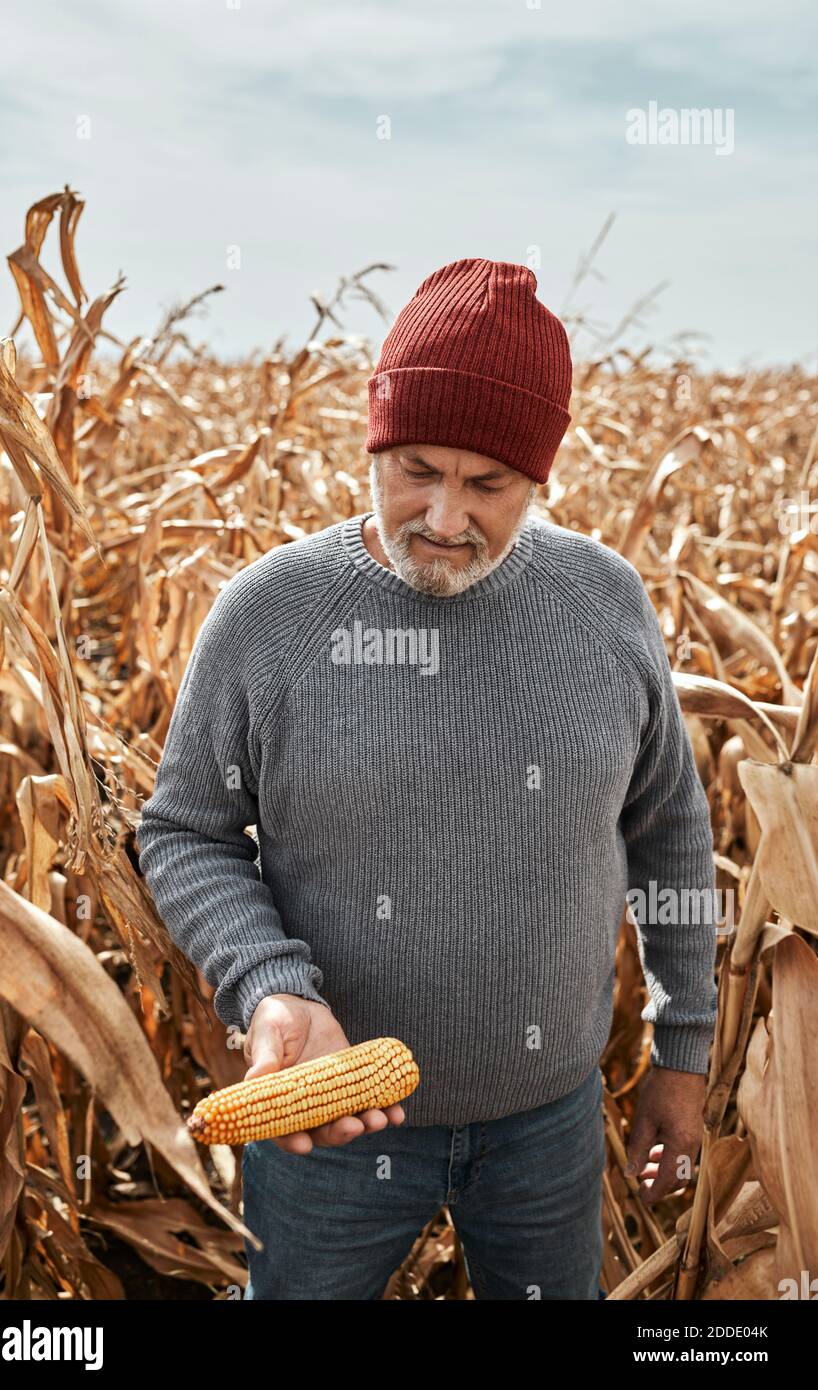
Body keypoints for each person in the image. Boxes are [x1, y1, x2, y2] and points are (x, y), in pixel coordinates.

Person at [136, 258, 718, 1300]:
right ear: (373, 439)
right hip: (326, 1132)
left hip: (546, 1126)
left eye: (486, 483)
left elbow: (668, 828)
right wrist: (268, 983)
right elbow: (186, 829)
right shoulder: (270, 616)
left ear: (538, 477)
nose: (444, 517)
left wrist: (680, 1050)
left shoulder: (603, 605)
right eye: (414, 467)